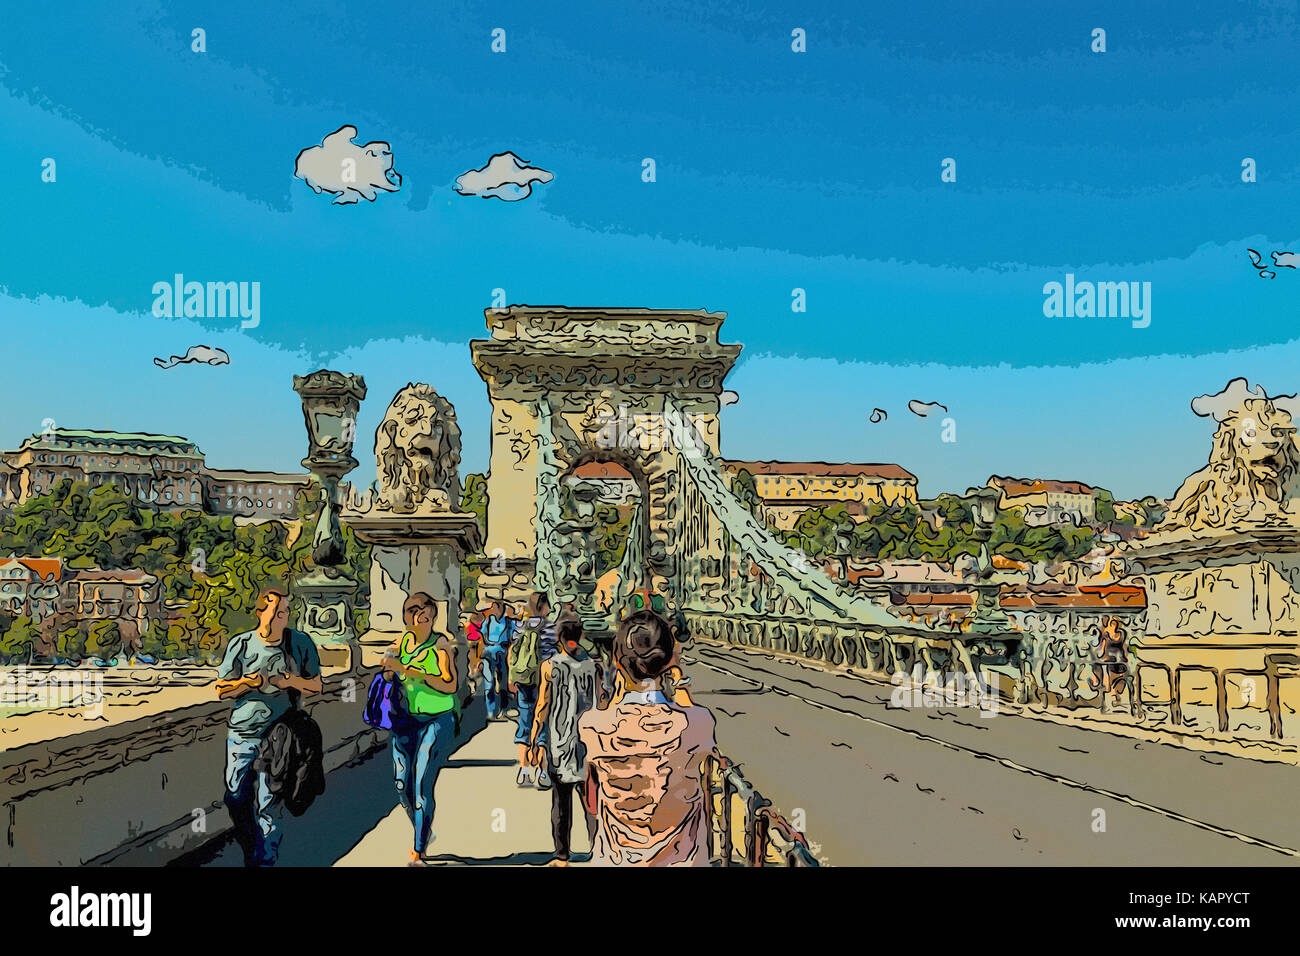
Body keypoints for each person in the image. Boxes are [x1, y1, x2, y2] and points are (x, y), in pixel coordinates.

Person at [579, 609, 715, 866]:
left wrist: (621, 682)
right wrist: (679, 678)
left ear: (618, 662)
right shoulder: (696, 724)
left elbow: (592, 801)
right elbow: (692, 712)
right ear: (668, 660)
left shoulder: (593, 726)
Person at [215, 587, 322, 867]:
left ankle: (264, 861)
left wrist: (291, 682)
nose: (281, 618)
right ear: (260, 612)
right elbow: (221, 689)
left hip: (280, 737)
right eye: (276, 612)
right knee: (235, 796)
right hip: (242, 734)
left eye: (285, 612)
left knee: (268, 805)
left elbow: (317, 685)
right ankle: (253, 849)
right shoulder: (241, 644)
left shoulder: (300, 643)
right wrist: (249, 683)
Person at [382, 592, 459, 866]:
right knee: (402, 784)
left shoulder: (439, 645)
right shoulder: (403, 641)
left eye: (425, 617)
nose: (419, 621)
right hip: (405, 720)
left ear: (432, 618)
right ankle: (422, 827)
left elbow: (450, 685)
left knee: (422, 783)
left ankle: (418, 851)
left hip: (436, 720)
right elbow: (391, 667)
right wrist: (389, 667)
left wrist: (415, 673)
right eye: (414, 615)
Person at [529, 617, 602, 865]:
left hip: (559, 742)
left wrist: (534, 738)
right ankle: (598, 851)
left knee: (561, 803)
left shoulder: (549, 666)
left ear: (559, 639)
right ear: (579, 637)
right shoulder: (593, 666)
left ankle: (562, 856)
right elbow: (601, 701)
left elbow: (543, 704)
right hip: (589, 743)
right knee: (592, 800)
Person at [508, 591, 556, 788]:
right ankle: (542, 771)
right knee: (542, 721)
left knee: (524, 721)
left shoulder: (520, 626)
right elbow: (553, 652)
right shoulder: (551, 627)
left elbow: (512, 651)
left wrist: (512, 677)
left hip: (524, 679)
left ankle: (523, 769)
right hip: (543, 680)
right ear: (544, 607)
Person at [480, 598, 515, 721]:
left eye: (496, 607)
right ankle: (490, 711)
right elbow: (481, 638)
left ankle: (503, 710)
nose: (494, 609)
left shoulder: (509, 622)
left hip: (503, 655)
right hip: (488, 655)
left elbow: (514, 639)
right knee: (489, 684)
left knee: (503, 685)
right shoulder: (488, 621)